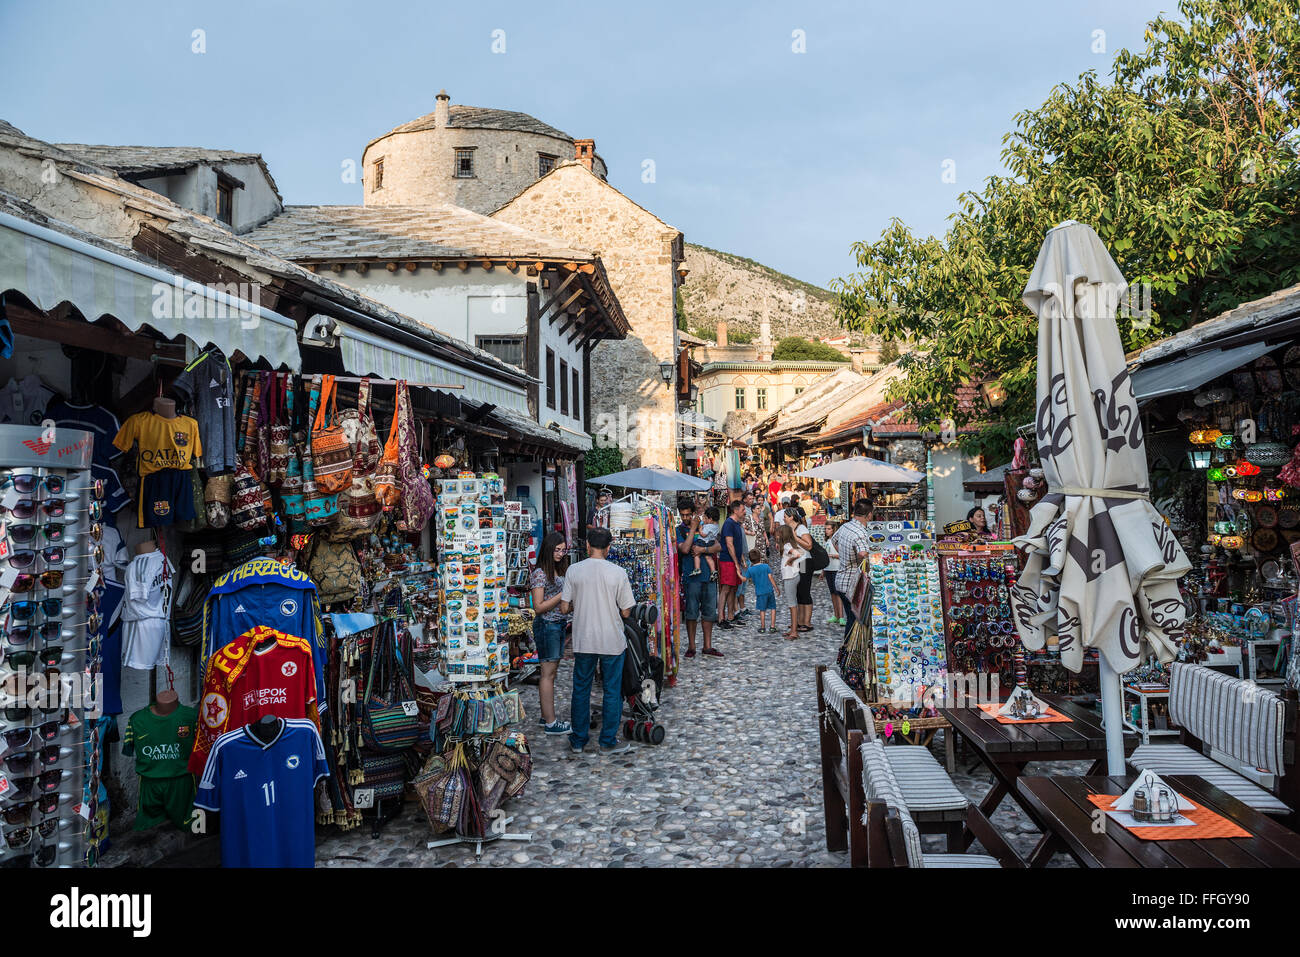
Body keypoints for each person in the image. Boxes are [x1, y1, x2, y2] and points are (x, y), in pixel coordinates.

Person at [559, 527, 635, 756]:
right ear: (609, 548)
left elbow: (564, 607)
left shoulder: (574, 570)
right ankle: (607, 741)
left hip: (584, 639)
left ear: (588, 546)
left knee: (581, 689)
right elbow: (626, 612)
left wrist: (579, 603)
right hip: (611, 639)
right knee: (612, 690)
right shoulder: (618, 572)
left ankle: (579, 739)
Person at [529, 533, 573, 735]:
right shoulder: (540, 573)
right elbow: (538, 607)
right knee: (548, 674)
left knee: (551, 673)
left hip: (557, 623)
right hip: (547, 625)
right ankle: (551, 722)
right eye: (557, 549)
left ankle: (546, 715)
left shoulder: (558, 569)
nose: (560, 553)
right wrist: (561, 596)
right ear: (548, 549)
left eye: (563, 550)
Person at [676, 497, 723, 659]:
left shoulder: (707, 526)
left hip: (709, 576)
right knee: (691, 613)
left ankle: (707, 646)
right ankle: (691, 646)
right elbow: (686, 548)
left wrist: (703, 550)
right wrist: (693, 527)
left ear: (694, 513)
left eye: (688, 515)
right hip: (691, 577)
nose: (685, 518)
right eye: (682, 515)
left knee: (709, 612)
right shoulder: (679, 530)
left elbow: (718, 546)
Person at [830, 496, 874, 639]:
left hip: (841, 579)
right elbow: (862, 553)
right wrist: (875, 555)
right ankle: (849, 653)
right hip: (852, 583)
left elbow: (833, 540)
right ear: (869, 515)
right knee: (854, 619)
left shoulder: (846, 526)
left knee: (851, 617)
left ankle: (848, 652)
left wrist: (844, 555)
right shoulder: (860, 532)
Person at [784, 507, 816, 633]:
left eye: (785, 516)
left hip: (804, 562)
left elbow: (809, 545)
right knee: (798, 591)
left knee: (804, 590)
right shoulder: (789, 528)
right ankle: (799, 621)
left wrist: (795, 537)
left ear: (791, 517)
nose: (783, 518)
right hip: (796, 563)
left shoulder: (801, 528)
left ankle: (807, 622)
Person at [718, 499, 748, 629]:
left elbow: (737, 544)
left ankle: (731, 616)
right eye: (743, 510)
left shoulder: (737, 524)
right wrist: (736, 563)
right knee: (725, 589)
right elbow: (729, 544)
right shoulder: (729, 524)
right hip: (727, 561)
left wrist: (741, 559)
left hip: (734, 560)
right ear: (735, 511)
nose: (745, 512)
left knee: (733, 588)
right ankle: (721, 618)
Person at [776, 525, 806, 640]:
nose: (777, 536)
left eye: (779, 533)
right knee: (793, 604)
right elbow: (802, 553)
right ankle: (793, 628)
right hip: (794, 575)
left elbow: (798, 555)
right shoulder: (792, 544)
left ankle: (794, 631)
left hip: (790, 577)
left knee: (792, 605)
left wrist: (790, 560)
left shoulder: (787, 546)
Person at [744, 547, 778, 632]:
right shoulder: (766, 566)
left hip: (760, 593)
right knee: (773, 608)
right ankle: (772, 626)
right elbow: (770, 578)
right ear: (760, 557)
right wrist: (776, 588)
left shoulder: (750, 570)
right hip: (770, 591)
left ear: (751, 560)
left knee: (762, 610)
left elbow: (744, 579)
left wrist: (738, 572)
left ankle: (762, 627)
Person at [823, 532, 845, 626]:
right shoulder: (826, 541)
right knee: (832, 593)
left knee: (838, 593)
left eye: (829, 529)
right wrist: (823, 570)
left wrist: (833, 556)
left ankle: (841, 617)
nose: (826, 531)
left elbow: (843, 555)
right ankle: (836, 615)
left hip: (836, 568)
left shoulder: (837, 542)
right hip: (828, 568)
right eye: (826, 529)